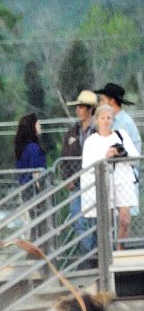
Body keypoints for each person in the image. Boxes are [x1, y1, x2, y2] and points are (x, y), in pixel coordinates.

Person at [81, 102, 140, 244]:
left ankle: (120, 249)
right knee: (106, 222)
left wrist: (120, 153)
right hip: (104, 182)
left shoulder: (122, 135)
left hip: (123, 179)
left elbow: (135, 157)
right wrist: (106, 156)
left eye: (109, 117)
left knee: (124, 220)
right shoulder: (91, 141)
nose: (106, 121)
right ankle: (108, 252)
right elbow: (87, 165)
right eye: (103, 118)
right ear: (96, 120)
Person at [59, 89, 97, 256]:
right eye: (78, 107)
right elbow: (64, 157)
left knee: (95, 220)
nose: (78, 110)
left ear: (90, 109)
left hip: (95, 181)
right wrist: (67, 178)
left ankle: (96, 253)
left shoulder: (98, 131)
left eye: (81, 107)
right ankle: (91, 252)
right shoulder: (72, 131)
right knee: (76, 219)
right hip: (76, 182)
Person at [14, 113, 46, 186]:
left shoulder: (23, 148)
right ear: (32, 127)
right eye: (38, 124)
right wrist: (39, 189)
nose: (40, 126)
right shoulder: (33, 148)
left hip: (24, 186)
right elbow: (36, 172)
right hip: (33, 188)